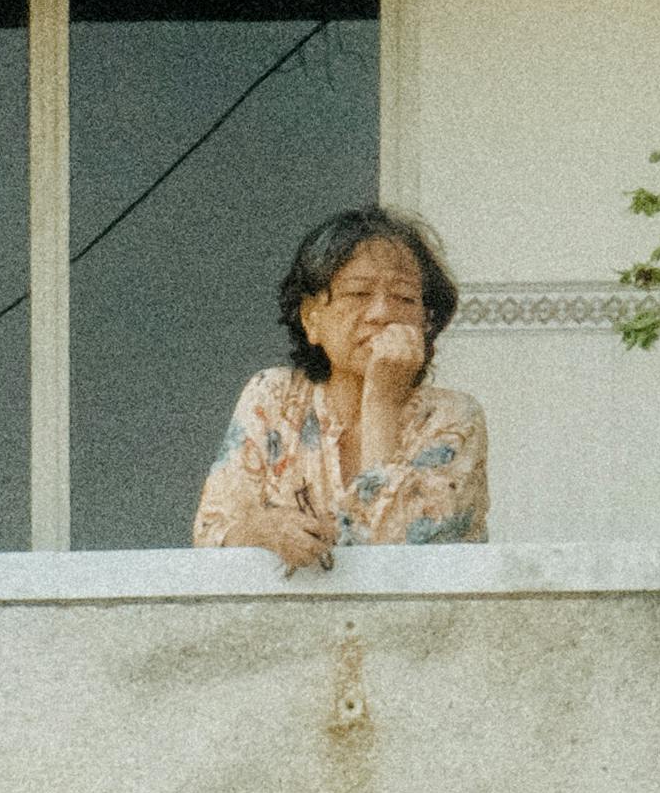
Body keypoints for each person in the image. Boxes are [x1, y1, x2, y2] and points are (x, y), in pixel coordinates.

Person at [193, 208, 488, 567]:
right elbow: (211, 531)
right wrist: (260, 531)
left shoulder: (452, 418)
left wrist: (381, 401)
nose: (381, 313)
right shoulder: (273, 396)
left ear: (427, 323)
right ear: (311, 318)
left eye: (405, 298)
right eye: (359, 293)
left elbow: (397, 557)